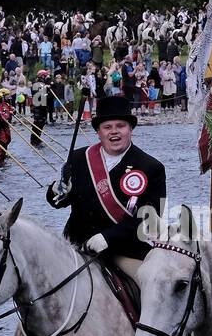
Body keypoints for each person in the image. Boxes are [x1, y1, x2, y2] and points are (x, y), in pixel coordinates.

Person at [45, 94, 166, 282]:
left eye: (120, 126)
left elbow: (150, 220)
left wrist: (108, 237)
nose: (114, 132)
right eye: (107, 127)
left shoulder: (151, 167)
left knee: (153, 285)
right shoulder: (78, 159)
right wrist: (57, 190)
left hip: (124, 250)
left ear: (131, 129)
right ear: (98, 132)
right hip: (76, 247)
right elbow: (56, 203)